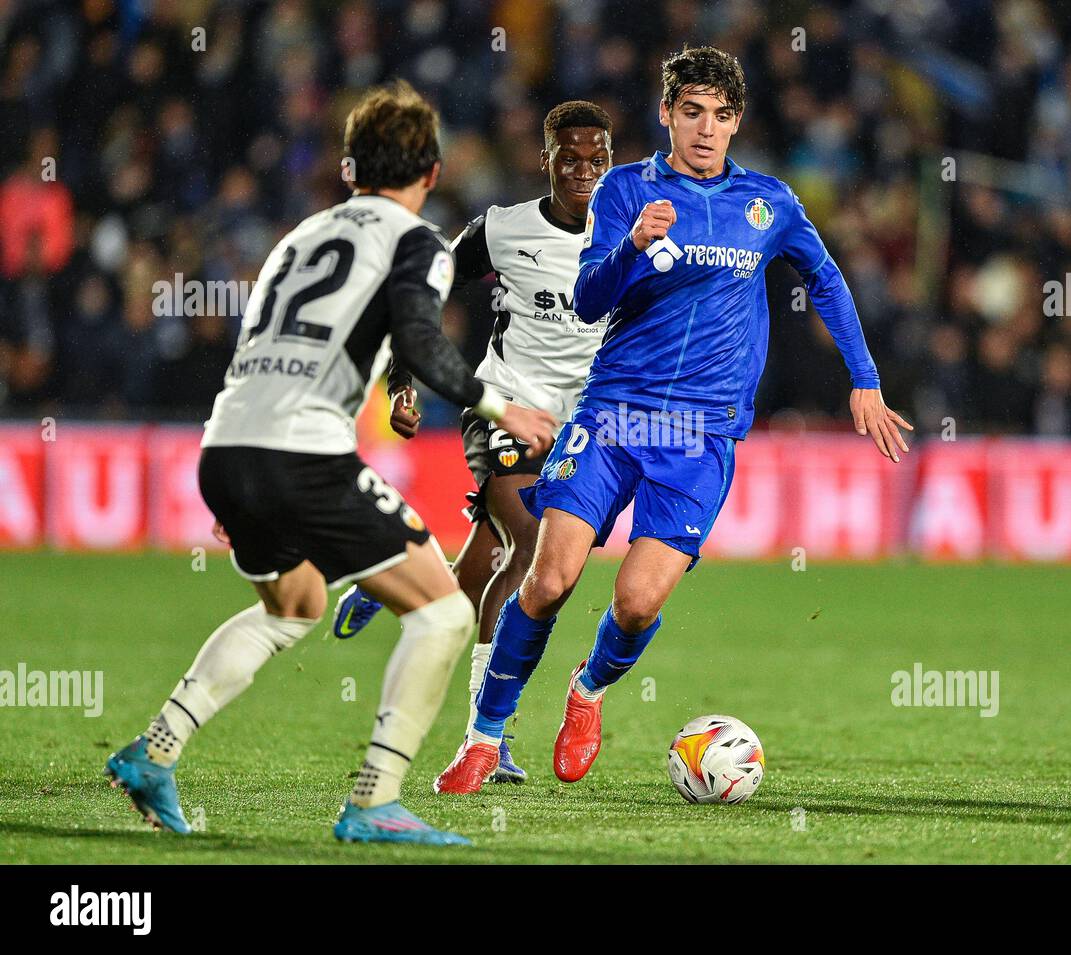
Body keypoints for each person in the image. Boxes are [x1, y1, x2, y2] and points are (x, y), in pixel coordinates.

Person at [435, 47, 912, 794]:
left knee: (635, 601)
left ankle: (587, 691)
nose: (706, 129)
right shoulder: (625, 190)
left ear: (736, 121)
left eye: (720, 115)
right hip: (614, 414)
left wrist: (865, 379)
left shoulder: (769, 203)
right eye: (691, 111)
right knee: (550, 575)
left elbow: (824, 275)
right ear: (666, 114)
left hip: (701, 435)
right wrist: (630, 247)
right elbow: (591, 300)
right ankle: (485, 738)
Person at [102, 80, 556, 843]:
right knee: (444, 610)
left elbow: (271, 347)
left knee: (295, 605)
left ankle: (154, 753)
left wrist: (241, 476)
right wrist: (500, 406)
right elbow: (420, 340)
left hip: (231, 442)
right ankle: (375, 799)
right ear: (433, 172)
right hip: (299, 451)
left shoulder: (299, 239)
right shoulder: (414, 240)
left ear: (349, 169)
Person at [330, 101, 615, 784]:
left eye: (595, 156)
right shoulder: (504, 229)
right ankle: (487, 737)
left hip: (585, 426)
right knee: (528, 548)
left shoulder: (631, 233)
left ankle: (395, 578)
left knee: (484, 568)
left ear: (610, 160)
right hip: (504, 406)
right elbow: (425, 297)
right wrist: (402, 382)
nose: (582, 168)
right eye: (567, 155)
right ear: (543, 158)